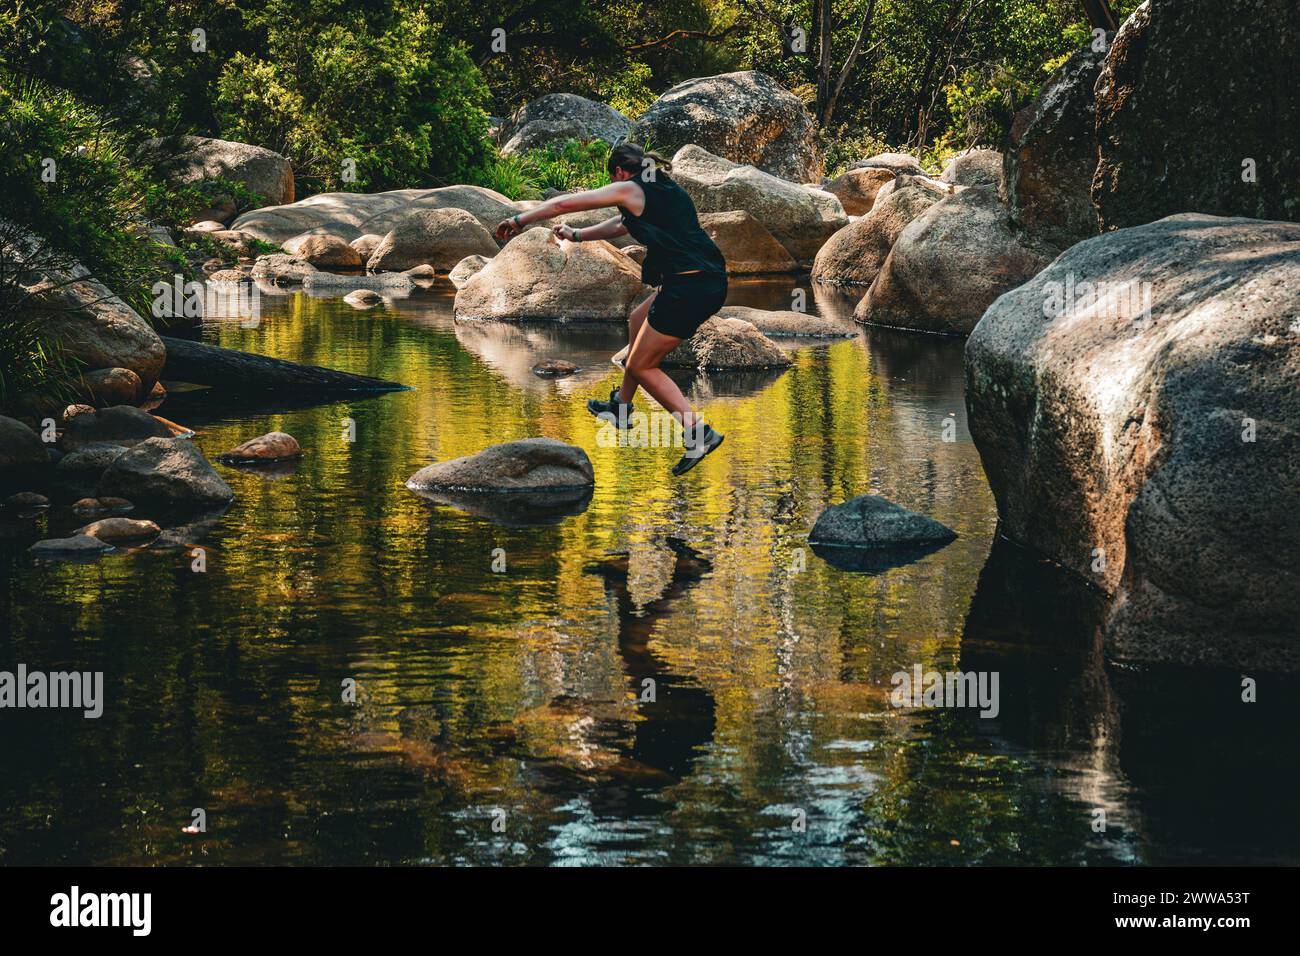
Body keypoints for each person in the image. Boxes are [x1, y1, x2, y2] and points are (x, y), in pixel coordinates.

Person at [495, 143, 728, 476]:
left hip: (691, 287)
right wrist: (577, 234)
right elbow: (622, 226)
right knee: (637, 320)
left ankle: (698, 433)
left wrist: (521, 218)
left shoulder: (630, 188)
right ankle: (621, 407)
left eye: (614, 179)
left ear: (619, 172)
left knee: (643, 366)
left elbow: (563, 202)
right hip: (700, 280)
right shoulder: (659, 186)